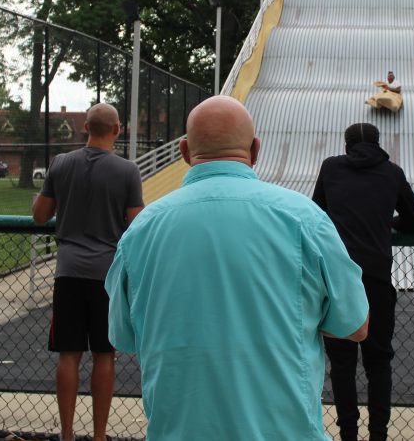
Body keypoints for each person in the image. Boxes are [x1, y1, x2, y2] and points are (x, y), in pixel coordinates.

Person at [106, 96, 369, 441]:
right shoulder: (304, 219)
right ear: (255, 150)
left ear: (185, 151)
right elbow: (356, 325)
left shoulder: (141, 231)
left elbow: (124, 335)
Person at [32, 102, 144, 441]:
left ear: (85, 129)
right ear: (117, 130)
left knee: (68, 353)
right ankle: (98, 436)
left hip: (67, 271)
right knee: (104, 354)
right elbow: (136, 223)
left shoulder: (61, 164)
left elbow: (39, 214)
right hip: (105, 276)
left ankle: (66, 434)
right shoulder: (127, 171)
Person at [312, 123, 414, 441]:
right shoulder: (392, 173)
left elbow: (317, 212)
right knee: (378, 361)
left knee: (343, 363)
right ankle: (378, 435)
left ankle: (348, 433)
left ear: (346, 145)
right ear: (378, 144)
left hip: (337, 281)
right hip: (376, 279)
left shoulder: (331, 168)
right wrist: (383, 223)